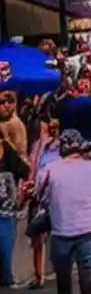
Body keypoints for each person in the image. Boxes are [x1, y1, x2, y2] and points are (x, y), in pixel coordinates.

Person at [37, 131, 91, 294]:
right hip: (89, 231)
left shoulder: (50, 170)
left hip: (60, 233)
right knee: (88, 282)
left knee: (63, 284)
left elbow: (39, 195)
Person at [25, 117, 62, 290]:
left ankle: (62, 267)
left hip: (59, 196)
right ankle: (38, 275)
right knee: (37, 237)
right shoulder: (37, 147)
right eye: (49, 126)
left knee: (61, 235)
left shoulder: (63, 147)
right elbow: (32, 168)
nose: (51, 129)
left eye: (55, 126)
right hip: (40, 197)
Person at [0, 108, 31, 289]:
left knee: (5, 242)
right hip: (6, 205)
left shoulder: (8, 151)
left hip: (6, 207)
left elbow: (23, 171)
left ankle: (7, 276)